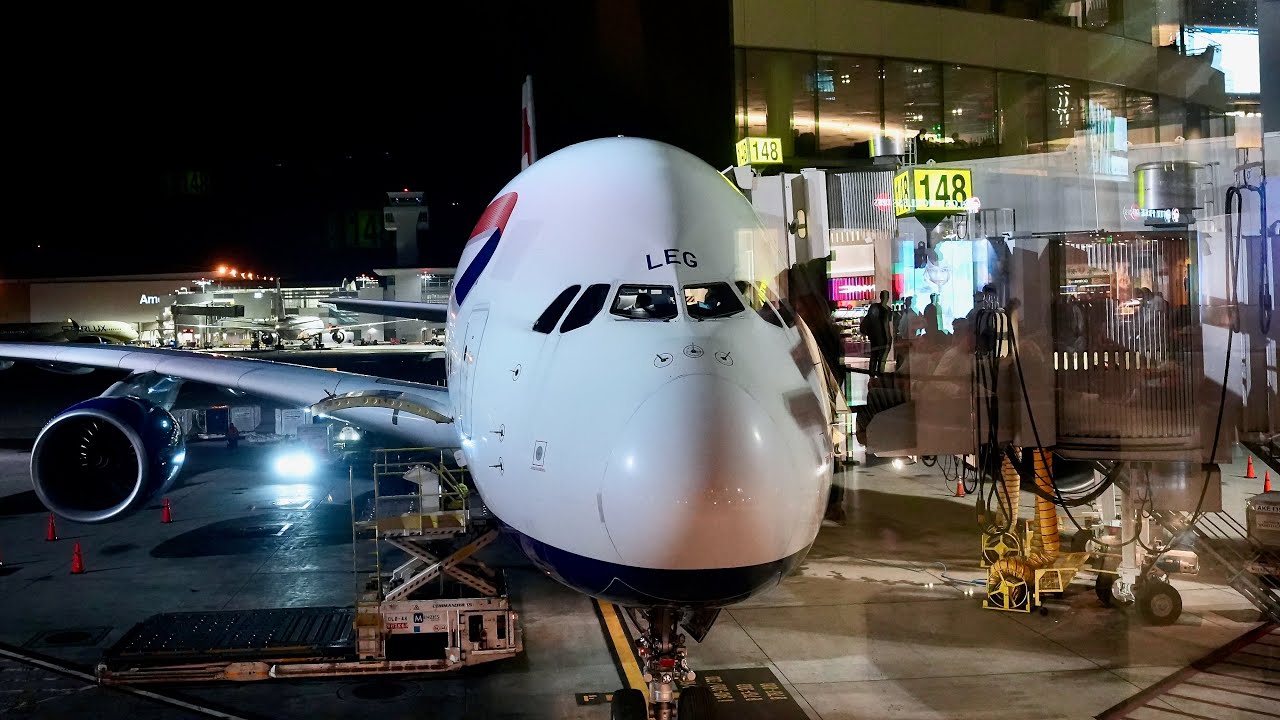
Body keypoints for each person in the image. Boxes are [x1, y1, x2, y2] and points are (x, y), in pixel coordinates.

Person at [860, 290, 894, 374]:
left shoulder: (874, 307)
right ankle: (879, 375)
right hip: (882, 338)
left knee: (874, 357)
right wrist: (889, 338)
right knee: (881, 359)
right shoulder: (887, 310)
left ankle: (873, 375)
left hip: (875, 337)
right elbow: (887, 326)